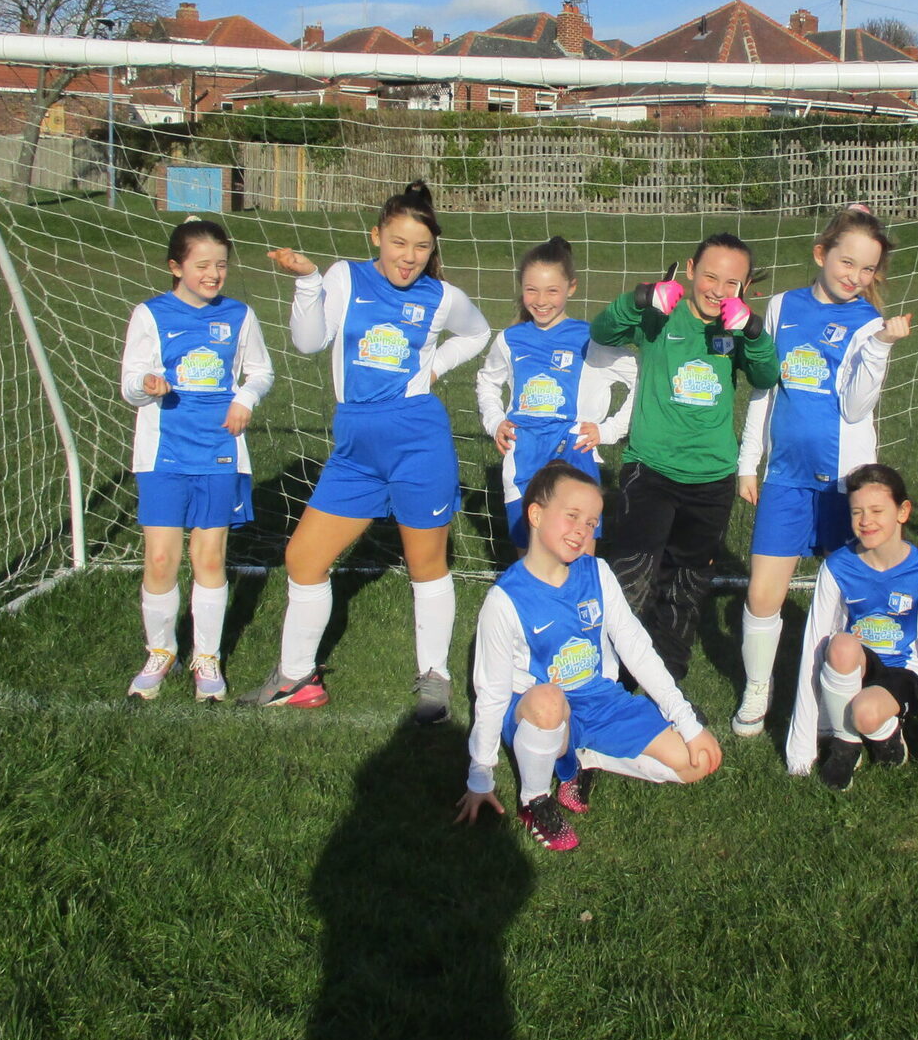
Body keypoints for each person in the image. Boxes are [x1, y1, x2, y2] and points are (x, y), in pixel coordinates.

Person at [242, 181, 492, 721]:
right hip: (354, 447)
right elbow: (310, 342)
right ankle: (296, 678)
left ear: (433, 250)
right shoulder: (344, 277)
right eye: (399, 243)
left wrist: (432, 368)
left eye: (422, 247)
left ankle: (435, 680)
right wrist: (308, 282)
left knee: (426, 565)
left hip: (418, 442)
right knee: (303, 560)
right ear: (376, 235)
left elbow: (478, 333)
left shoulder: (441, 297)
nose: (409, 257)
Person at [455, 463, 723, 851]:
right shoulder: (504, 600)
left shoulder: (597, 573)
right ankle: (535, 800)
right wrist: (480, 777)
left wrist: (686, 720)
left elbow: (635, 646)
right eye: (572, 517)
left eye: (592, 522)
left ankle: (577, 760)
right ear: (535, 514)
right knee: (548, 701)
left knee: (696, 763)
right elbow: (492, 693)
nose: (583, 530)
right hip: (540, 709)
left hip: (600, 700)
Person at [732, 204, 911, 735]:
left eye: (867, 269)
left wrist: (879, 347)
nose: (856, 277)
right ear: (821, 254)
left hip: (843, 486)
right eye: (846, 262)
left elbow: (857, 408)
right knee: (763, 594)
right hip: (785, 477)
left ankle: (847, 700)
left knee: (851, 599)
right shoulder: (783, 306)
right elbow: (767, 386)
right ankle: (757, 690)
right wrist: (749, 463)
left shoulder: (870, 322)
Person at [590, 233, 780, 682]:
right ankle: (610, 679)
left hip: (712, 477)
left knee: (686, 585)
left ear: (747, 287)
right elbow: (602, 331)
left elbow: (766, 376)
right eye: (710, 276)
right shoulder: (661, 313)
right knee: (632, 579)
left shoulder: (737, 329)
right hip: (651, 468)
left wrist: (751, 331)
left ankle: (667, 681)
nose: (718, 289)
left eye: (732, 282)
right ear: (691, 271)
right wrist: (638, 299)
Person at [118, 217, 274, 702]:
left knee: (209, 558)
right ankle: (161, 651)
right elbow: (129, 383)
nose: (213, 274)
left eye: (221, 265)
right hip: (163, 455)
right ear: (176, 266)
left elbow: (261, 370)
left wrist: (244, 399)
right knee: (161, 558)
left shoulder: (240, 315)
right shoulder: (149, 315)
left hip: (219, 453)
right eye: (202, 265)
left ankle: (207, 658)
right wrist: (146, 387)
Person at [784, 464, 918, 794]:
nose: (866, 521)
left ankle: (887, 733)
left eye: (877, 510)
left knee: (866, 712)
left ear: (903, 512)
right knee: (839, 645)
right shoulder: (838, 567)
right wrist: (800, 750)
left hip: (902, 672)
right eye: (857, 512)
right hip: (859, 665)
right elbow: (813, 648)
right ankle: (846, 746)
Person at [475, 236, 636, 553]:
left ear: (571, 288)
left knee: (579, 553)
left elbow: (641, 379)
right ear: (521, 288)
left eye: (552, 290)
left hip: (575, 454)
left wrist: (609, 430)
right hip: (523, 456)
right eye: (531, 289)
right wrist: (495, 422)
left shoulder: (589, 339)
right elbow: (487, 381)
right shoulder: (509, 340)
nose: (541, 300)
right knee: (529, 553)